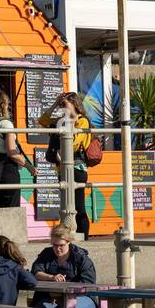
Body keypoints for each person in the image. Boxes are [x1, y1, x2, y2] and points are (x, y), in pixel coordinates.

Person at [40, 91, 93, 237]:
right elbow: (42, 121)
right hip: (62, 168)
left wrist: (63, 138)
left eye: (65, 105)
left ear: (75, 105)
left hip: (77, 168)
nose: (62, 108)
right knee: (65, 206)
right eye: (61, 105)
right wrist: (55, 104)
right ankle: (69, 236)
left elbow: (75, 144)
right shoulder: (61, 120)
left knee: (78, 206)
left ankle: (84, 237)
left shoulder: (82, 121)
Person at [31, 224, 98, 308]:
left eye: (61, 245)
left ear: (69, 242)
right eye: (54, 245)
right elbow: (36, 272)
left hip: (81, 297)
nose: (58, 249)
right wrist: (51, 277)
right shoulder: (46, 254)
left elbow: (88, 283)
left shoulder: (81, 258)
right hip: (50, 298)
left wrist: (65, 292)